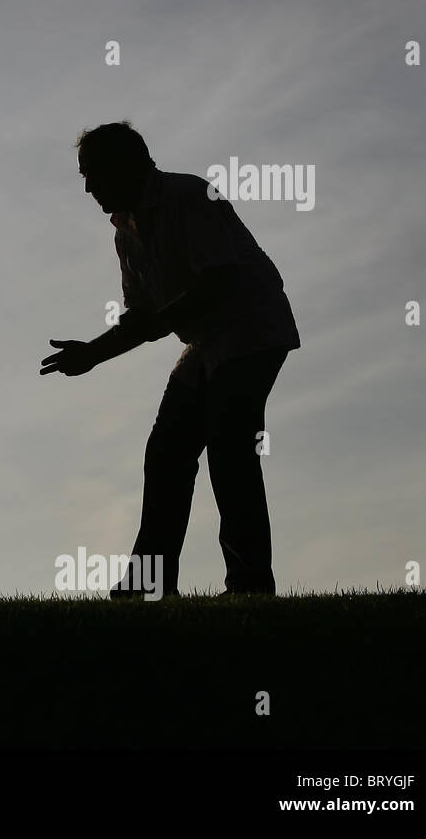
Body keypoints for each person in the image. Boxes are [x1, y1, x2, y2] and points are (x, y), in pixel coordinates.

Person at [40, 122, 300, 598]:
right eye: (84, 176)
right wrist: (92, 354)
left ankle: (250, 587)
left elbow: (219, 282)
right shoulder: (126, 234)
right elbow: (141, 317)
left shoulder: (189, 196)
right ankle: (150, 584)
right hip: (205, 344)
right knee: (166, 454)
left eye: (94, 172)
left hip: (251, 330)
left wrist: (151, 327)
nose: (87, 186)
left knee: (229, 447)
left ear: (128, 165)